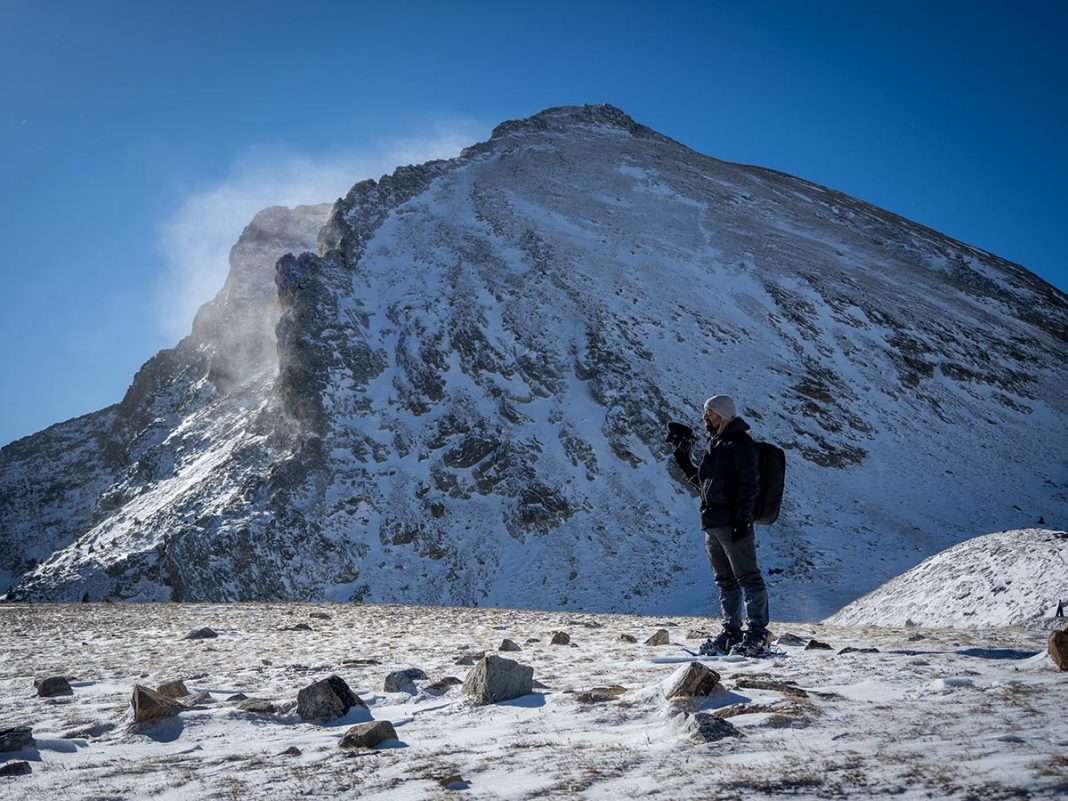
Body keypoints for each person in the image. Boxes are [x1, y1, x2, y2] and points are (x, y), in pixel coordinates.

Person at [672, 395, 770, 656]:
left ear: (724, 414)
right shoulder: (716, 443)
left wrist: (742, 520)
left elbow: (749, 484)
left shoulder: (740, 443)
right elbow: (706, 486)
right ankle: (731, 633)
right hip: (713, 523)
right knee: (725, 581)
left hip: (732, 522)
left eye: (710, 412)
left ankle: (758, 634)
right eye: (705, 412)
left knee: (748, 576)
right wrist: (684, 461)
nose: (705, 417)